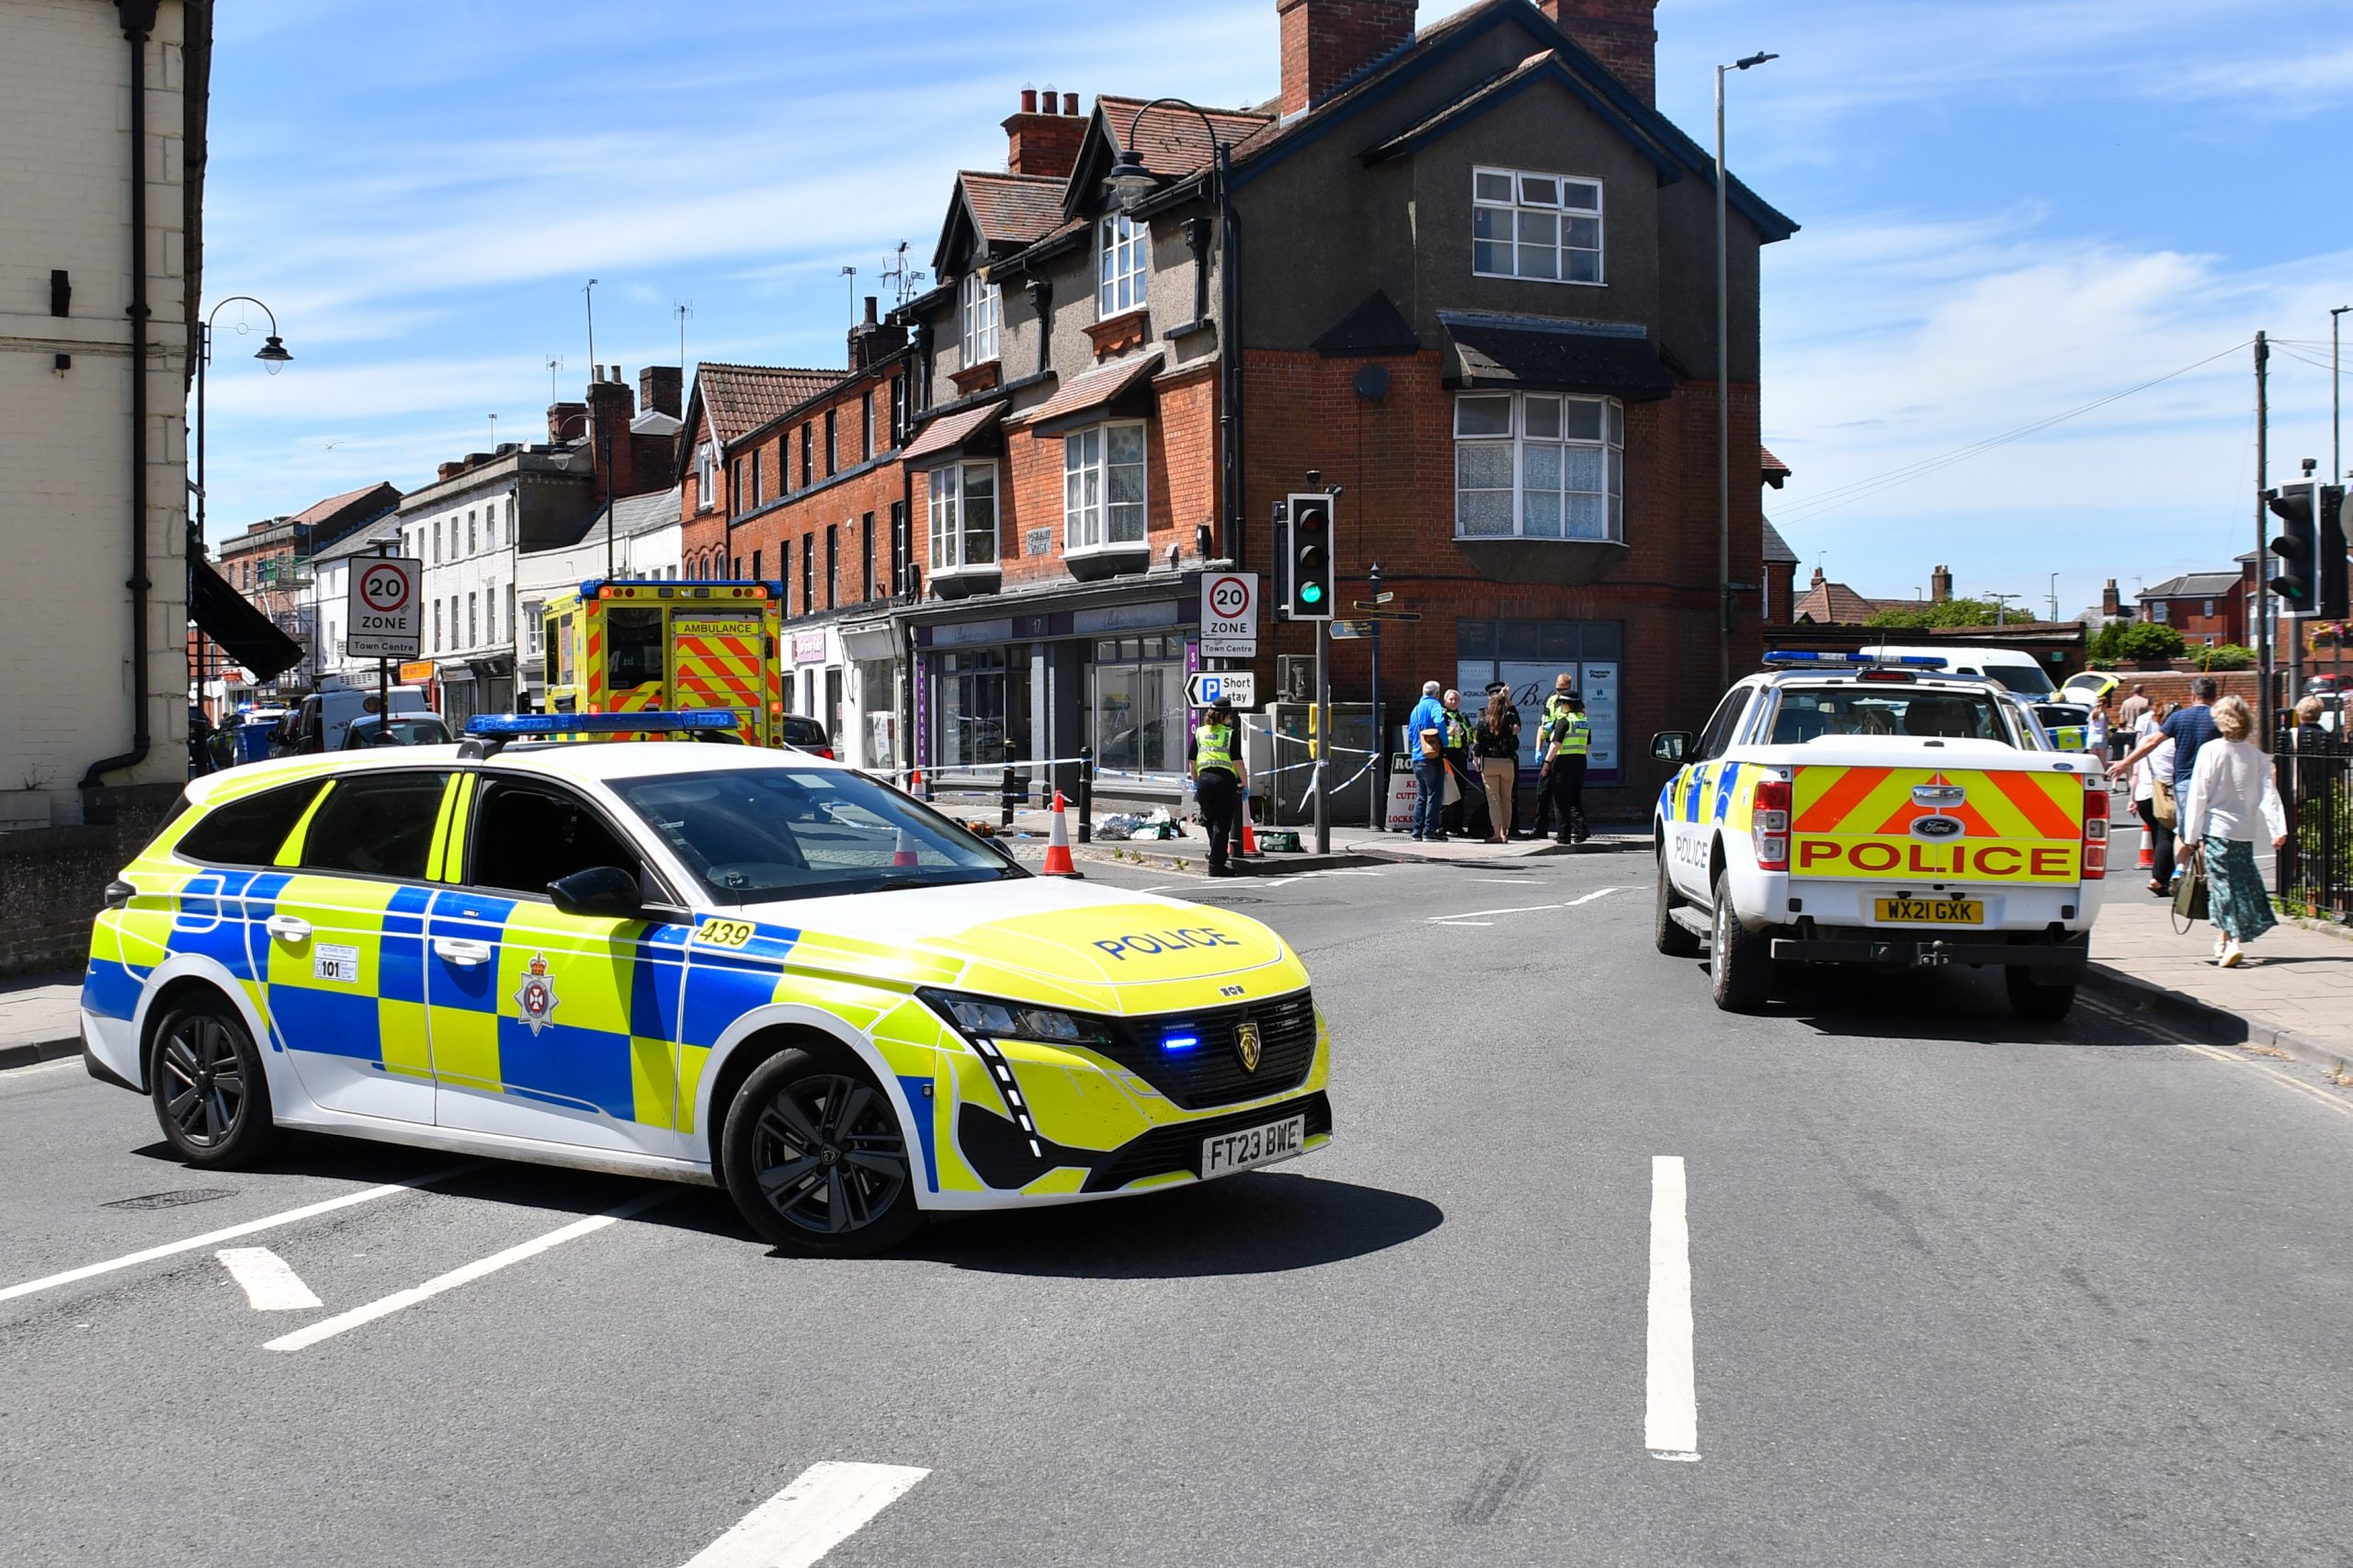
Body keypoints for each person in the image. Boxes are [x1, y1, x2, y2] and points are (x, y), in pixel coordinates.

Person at [2179, 694, 2286, 967]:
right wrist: (2278, 828)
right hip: (2244, 832)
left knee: (2223, 887)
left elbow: (2198, 795)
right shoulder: (2256, 755)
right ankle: (2222, 939)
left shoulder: (2211, 750)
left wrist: (2190, 835)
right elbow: (2269, 794)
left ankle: (2233, 941)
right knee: (2236, 885)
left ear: (2221, 720)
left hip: (2217, 830)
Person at [1189, 699, 1247, 877]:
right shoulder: (1230, 734)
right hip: (1224, 781)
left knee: (1209, 819)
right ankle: (1216, 865)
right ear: (1225, 716)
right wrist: (1245, 784)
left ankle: (1215, 853)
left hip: (1204, 781)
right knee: (1222, 824)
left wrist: (1196, 782)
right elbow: (1238, 762)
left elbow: (1192, 761)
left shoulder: (1200, 733)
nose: (1230, 719)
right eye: (1229, 716)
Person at [2131, 701, 2176, 896]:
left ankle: (2164, 879)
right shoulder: (2173, 742)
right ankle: (2158, 879)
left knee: (2159, 836)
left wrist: (2132, 798)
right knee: (2166, 836)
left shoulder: (2146, 741)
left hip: (2142, 794)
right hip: (2162, 794)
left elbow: (2136, 771)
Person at [1527, 673, 1576, 839]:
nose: (1559, 693)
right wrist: (1538, 749)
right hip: (1551, 748)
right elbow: (1542, 726)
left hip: (1563, 751)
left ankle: (1568, 830)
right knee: (1543, 791)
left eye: (1562, 690)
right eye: (1557, 689)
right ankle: (1540, 828)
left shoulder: (1574, 703)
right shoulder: (1551, 701)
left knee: (1562, 794)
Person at [1472, 686, 1521, 845]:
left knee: (1494, 799)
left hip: (1490, 762)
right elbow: (1517, 723)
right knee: (1507, 798)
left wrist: (1476, 760)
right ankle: (1506, 832)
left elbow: (1478, 743)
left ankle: (1497, 833)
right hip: (1507, 762)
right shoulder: (1508, 719)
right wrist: (1507, 699)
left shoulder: (1483, 721)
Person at [1406, 679, 1450, 842]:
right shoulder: (1435, 705)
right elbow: (1439, 722)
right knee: (1434, 795)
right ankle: (1429, 831)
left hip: (1417, 757)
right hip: (1431, 757)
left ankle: (1417, 831)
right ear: (1437, 694)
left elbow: (1411, 734)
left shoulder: (1416, 709)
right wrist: (1444, 741)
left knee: (1421, 795)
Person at [1546, 695, 1593, 843]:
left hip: (1563, 761)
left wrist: (1547, 762)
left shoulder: (1564, 721)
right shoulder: (1584, 722)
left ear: (1567, 705)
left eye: (1561, 704)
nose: (1560, 706)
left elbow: (1556, 744)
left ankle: (1564, 835)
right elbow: (1588, 747)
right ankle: (1581, 830)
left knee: (1560, 800)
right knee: (1574, 798)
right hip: (1580, 760)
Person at [1438, 687, 1477, 837]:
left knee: (1460, 792)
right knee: (1447, 792)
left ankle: (1458, 826)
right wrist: (1448, 733)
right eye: (1451, 699)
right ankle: (1443, 826)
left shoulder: (1462, 716)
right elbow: (1436, 735)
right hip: (1447, 756)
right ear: (1445, 701)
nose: (1453, 702)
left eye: (1456, 699)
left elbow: (1470, 735)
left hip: (1460, 756)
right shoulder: (1441, 715)